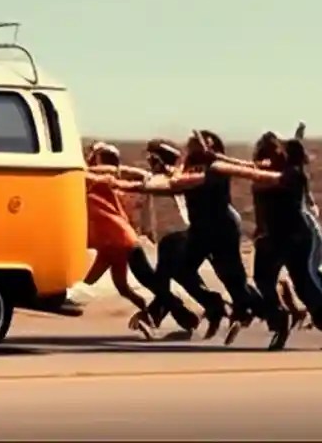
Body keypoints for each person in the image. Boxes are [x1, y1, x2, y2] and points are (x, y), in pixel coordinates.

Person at [156, 130, 273, 345]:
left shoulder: (217, 165)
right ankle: (215, 306)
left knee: (233, 278)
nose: (193, 145)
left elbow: (181, 182)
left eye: (199, 143)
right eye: (191, 142)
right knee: (182, 269)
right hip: (200, 229)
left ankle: (272, 315)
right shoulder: (190, 165)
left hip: (222, 227)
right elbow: (175, 180)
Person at [78, 142, 193, 338]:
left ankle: (178, 315)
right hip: (111, 244)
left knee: (153, 281)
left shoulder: (103, 181)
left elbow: (106, 173)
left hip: (124, 240)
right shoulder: (102, 182)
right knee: (136, 284)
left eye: (94, 155)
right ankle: (158, 314)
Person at [119, 139, 224, 339]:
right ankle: (205, 308)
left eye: (152, 158)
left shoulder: (171, 178)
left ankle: (162, 316)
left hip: (177, 234)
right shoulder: (159, 178)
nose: (149, 161)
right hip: (168, 237)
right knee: (182, 278)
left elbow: (154, 183)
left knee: (163, 281)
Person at [236, 137, 322, 349]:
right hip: (271, 236)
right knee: (263, 280)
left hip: (295, 235)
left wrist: (240, 167)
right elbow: (260, 203)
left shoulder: (292, 174)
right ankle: (279, 320)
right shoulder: (261, 177)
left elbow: (267, 179)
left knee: (304, 284)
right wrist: (260, 229)